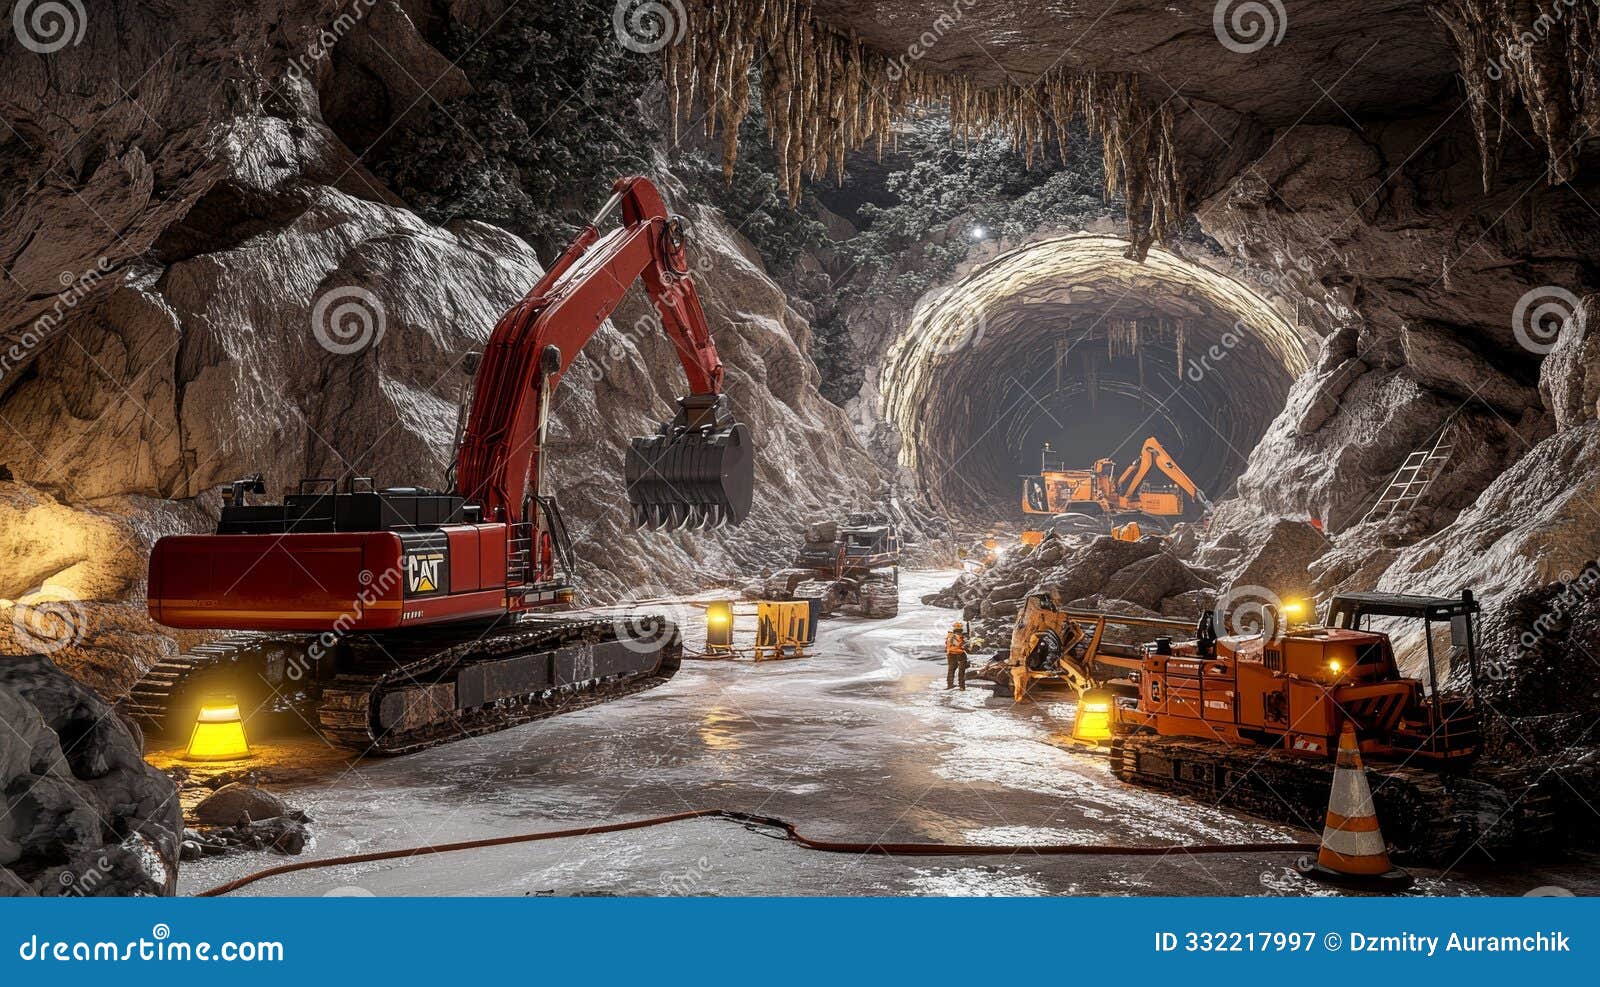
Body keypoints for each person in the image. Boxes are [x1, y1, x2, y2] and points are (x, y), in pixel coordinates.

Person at [945, 621, 968, 690]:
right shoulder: (961, 637)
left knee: (951, 670)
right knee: (961, 671)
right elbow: (963, 646)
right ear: (961, 630)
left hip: (950, 655)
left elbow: (947, 645)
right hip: (960, 654)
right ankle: (962, 686)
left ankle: (950, 685)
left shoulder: (949, 636)